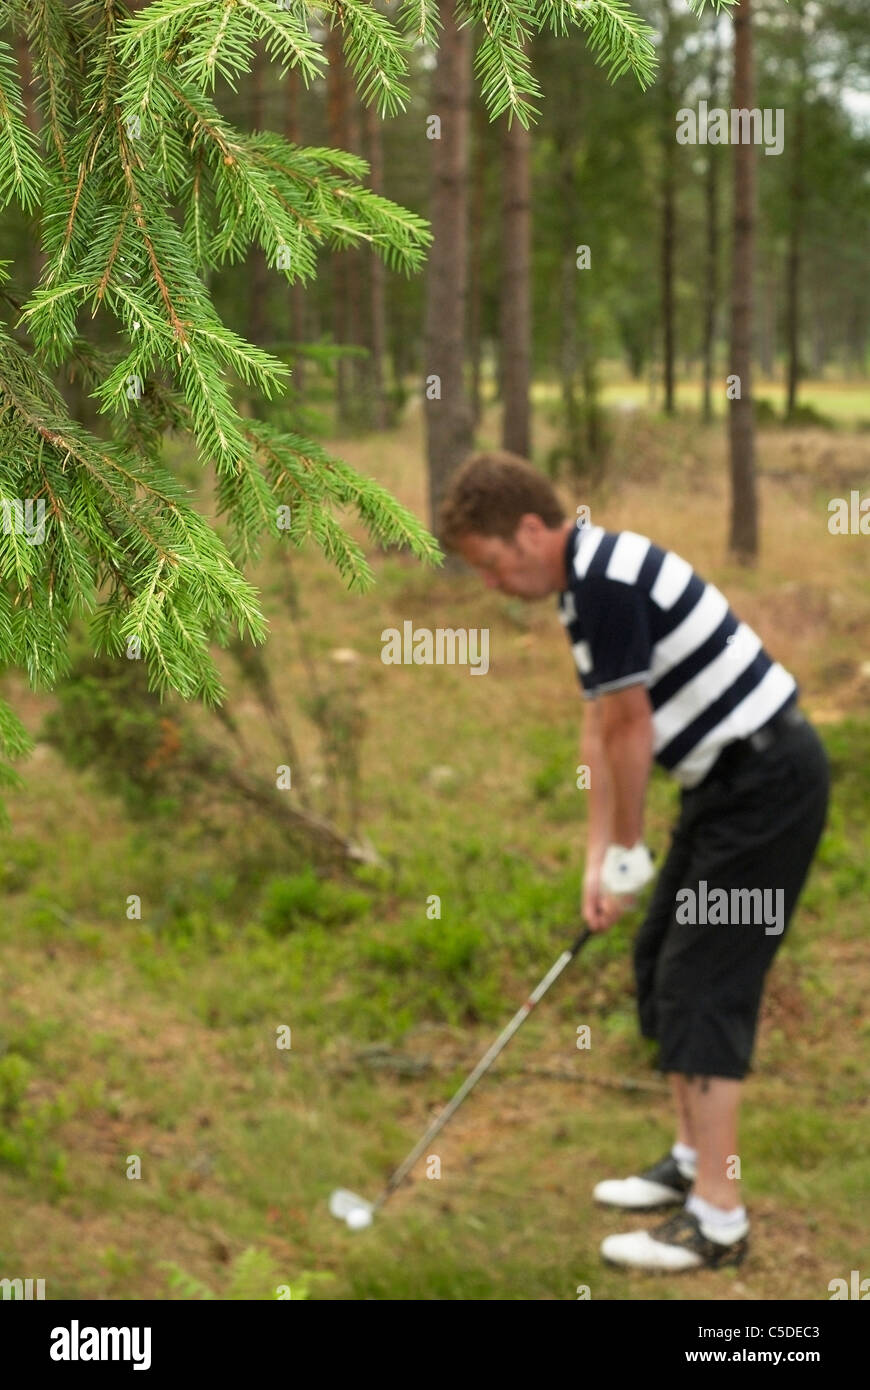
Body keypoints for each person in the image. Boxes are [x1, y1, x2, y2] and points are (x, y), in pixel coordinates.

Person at [438, 449, 829, 1273]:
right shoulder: (584, 589)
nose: (493, 586)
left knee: (703, 982)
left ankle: (718, 1220)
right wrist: (598, 860)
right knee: (659, 959)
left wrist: (630, 845)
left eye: (493, 564)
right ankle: (692, 1165)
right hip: (727, 788)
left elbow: (630, 730)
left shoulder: (607, 580)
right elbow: (597, 726)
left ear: (533, 530)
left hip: (767, 785)